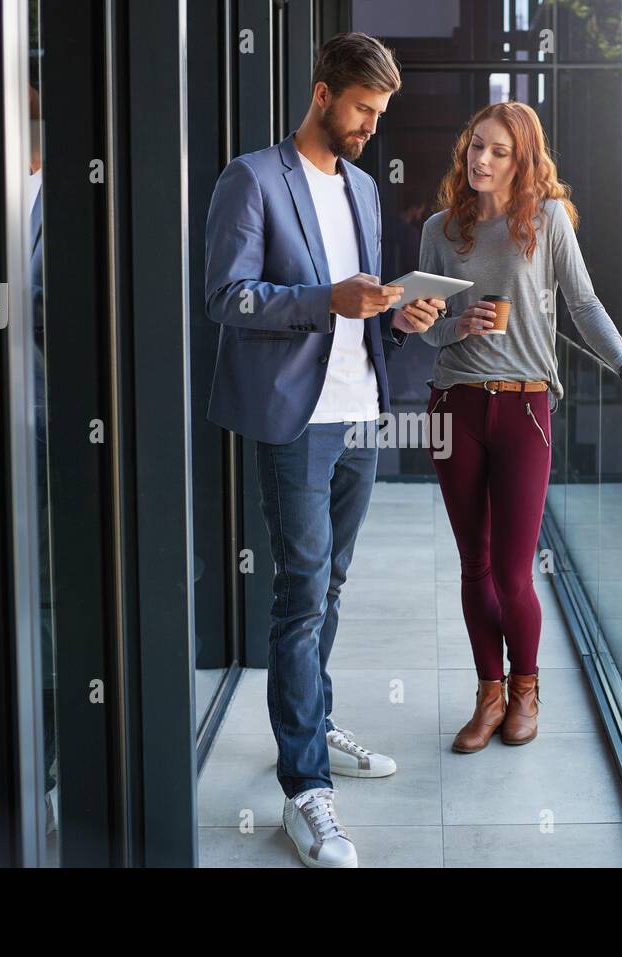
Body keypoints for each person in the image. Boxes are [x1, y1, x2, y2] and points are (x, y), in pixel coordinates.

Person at [204, 33, 443, 868]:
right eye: (362, 110)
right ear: (320, 94)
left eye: (381, 115)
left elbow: (365, 302)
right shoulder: (252, 178)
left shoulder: (369, 193)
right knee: (301, 594)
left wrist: (398, 314)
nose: (372, 127)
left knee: (331, 584)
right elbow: (229, 297)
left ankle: (310, 720)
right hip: (297, 421)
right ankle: (305, 787)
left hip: (360, 412)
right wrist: (326, 300)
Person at [415, 102, 622, 753]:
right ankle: (488, 693)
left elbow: (582, 303)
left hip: (526, 408)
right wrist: (453, 324)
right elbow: (422, 328)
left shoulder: (547, 221)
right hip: (455, 405)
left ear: (521, 159)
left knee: (512, 571)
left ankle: (526, 689)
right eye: (476, 146)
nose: (481, 159)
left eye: (498, 150)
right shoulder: (443, 229)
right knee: (474, 565)